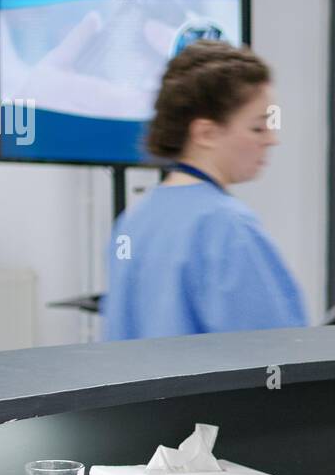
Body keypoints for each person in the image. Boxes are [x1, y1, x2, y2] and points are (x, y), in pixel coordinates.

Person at [103, 41, 307, 340]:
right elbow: (280, 360)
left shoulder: (133, 221)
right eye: (258, 128)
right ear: (206, 133)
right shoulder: (226, 227)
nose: (272, 140)